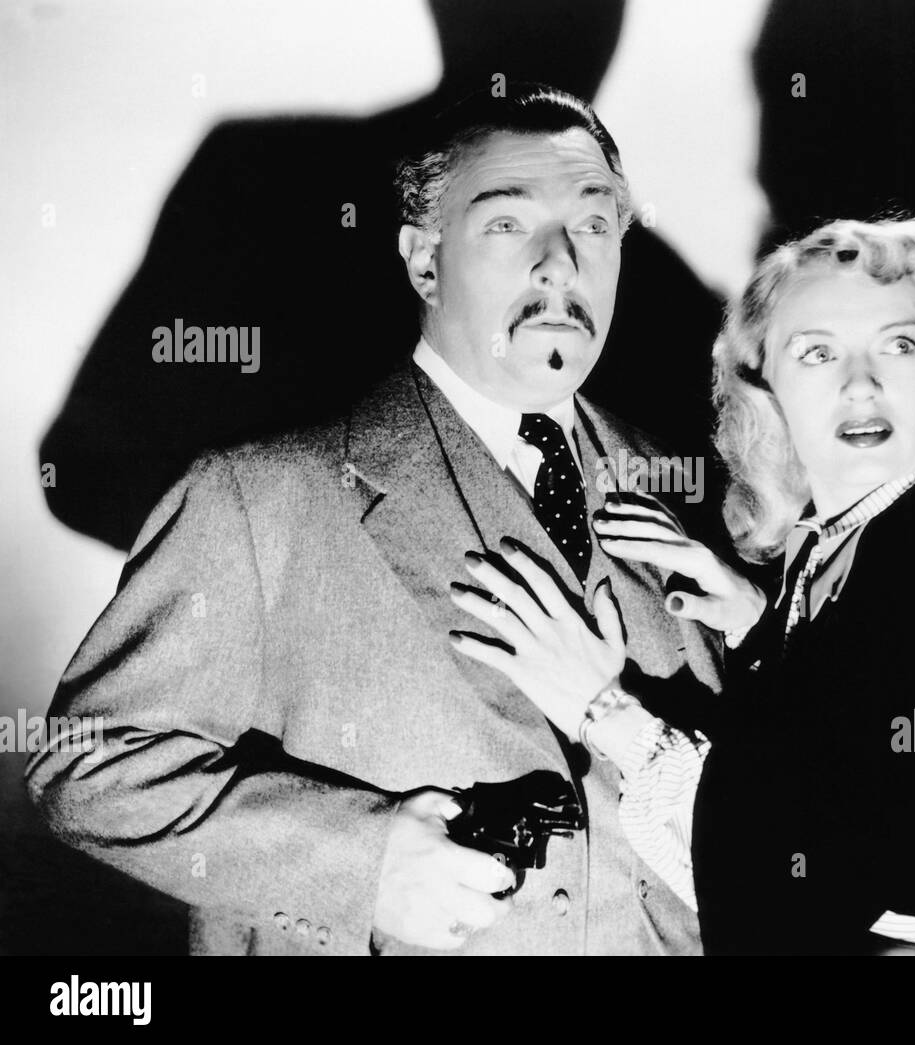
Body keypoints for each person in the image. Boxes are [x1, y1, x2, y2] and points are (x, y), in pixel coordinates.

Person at [26, 85, 720, 956]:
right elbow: (88, 765)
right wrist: (362, 861)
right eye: (508, 225)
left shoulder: (698, 500)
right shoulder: (260, 499)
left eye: (591, 225)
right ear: (425, 261)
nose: (559, 266)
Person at [450, 217, 915, 955]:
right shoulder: (867, 534)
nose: (861, 384)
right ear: (765, 382)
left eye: (900, 345)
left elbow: (813, 853)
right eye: (817, 353)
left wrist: (602, 709)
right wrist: (762, 624)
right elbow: (859, 706)